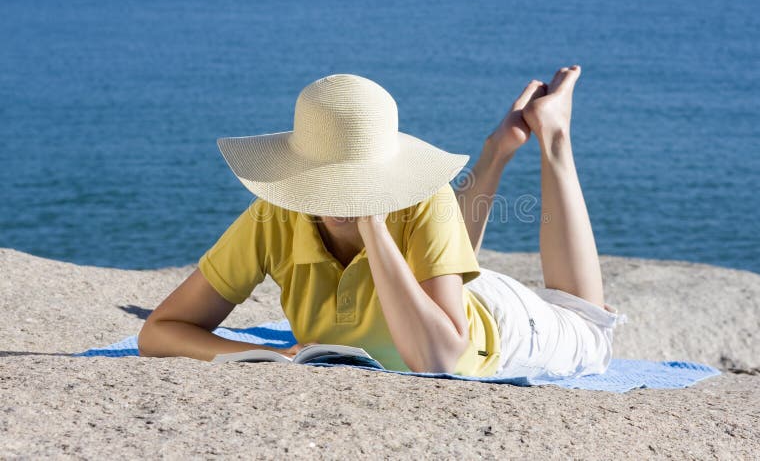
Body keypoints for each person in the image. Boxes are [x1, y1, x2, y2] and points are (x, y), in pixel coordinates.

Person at [138, 68, 626, 379]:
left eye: (351, 176)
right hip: (433, 298)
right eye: (328, 177)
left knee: (589, 324)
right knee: (442, 254)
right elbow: (160, 331)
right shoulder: (273, 215)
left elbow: (439, 360)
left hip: (500, 327)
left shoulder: (421, 200)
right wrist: (276, 356)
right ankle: (497, 149)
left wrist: (372, 217)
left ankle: (554, 134)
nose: (338, 192)